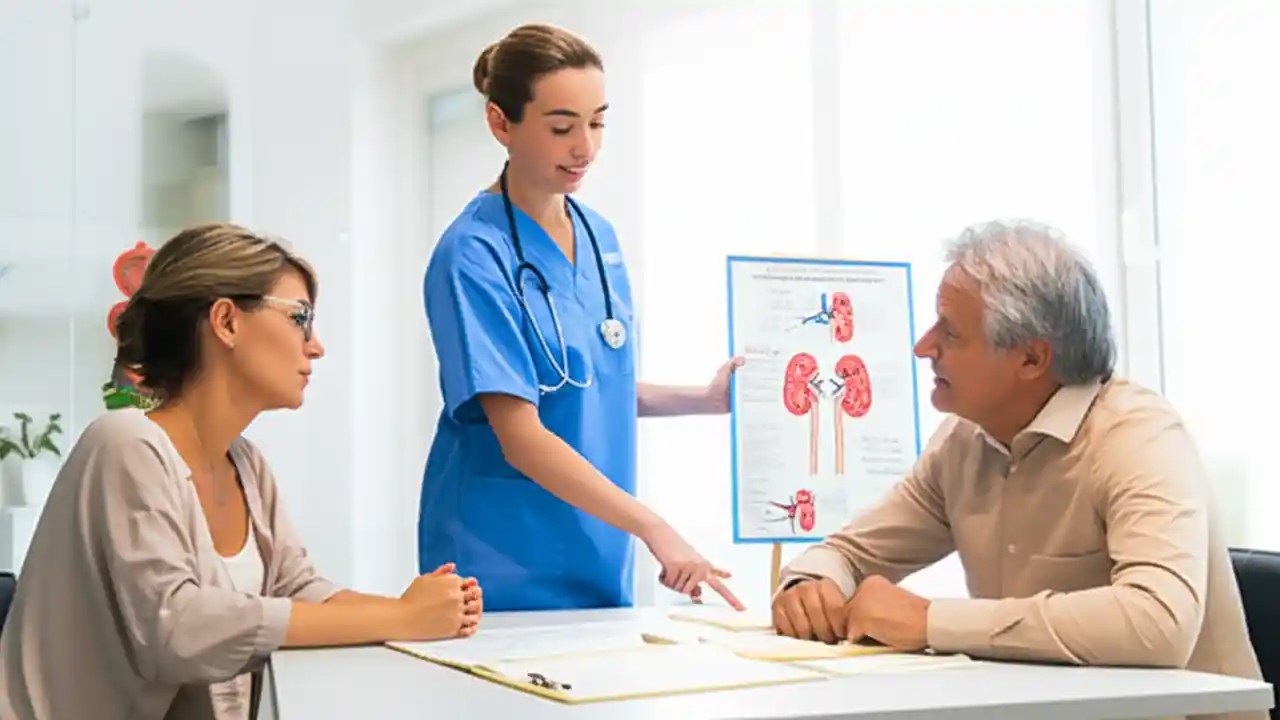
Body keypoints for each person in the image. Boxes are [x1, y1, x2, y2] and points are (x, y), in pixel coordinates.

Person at [0, 224, 483, 720]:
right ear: (227, 322)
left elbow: (298, 590)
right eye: (300, 319)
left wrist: (415, 609)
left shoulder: (246, 464)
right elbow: (177, 628)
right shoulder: (125, 444)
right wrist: (403, 618)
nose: (315, 346)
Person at [772, 220, 1263, 705]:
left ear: (1031, 359)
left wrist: (928, 621)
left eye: (951, 332)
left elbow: (1159, 622)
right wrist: (812, 583)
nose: (924, 348)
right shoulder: (967, 440)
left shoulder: (1140, 436)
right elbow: (849, 553)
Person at [419, 23, 743, 613]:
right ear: (501, 124)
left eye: (597, 123)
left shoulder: (599, 237)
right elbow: (519, 434)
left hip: (596, 559)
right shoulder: (473, 253)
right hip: (501, 563)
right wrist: (654, 526)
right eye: (562, 127)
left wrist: (707, 397)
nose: (585, 148)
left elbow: (594, 387)